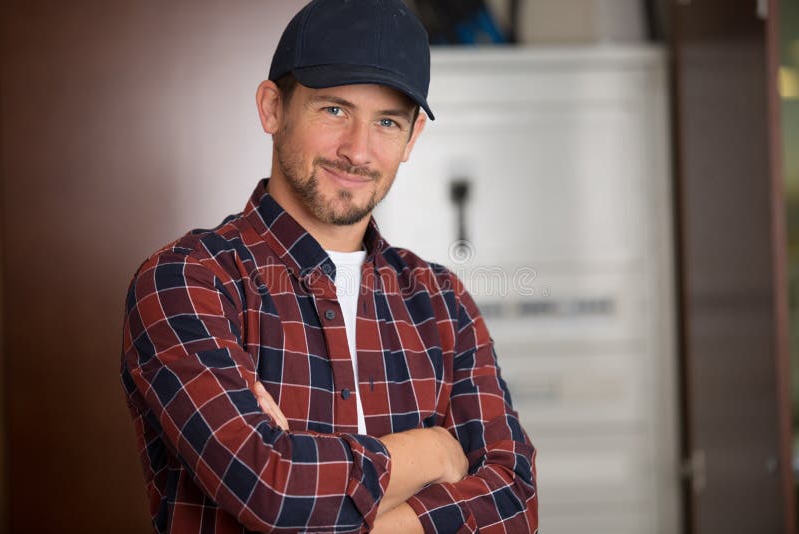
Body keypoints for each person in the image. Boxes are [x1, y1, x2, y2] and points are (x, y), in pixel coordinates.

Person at [120, 0, 538, 532]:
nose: (358, 150)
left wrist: (323, 486)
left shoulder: (441, 299)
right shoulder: (186, 282)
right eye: (334, 110)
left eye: (387, 122)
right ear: (273, 108)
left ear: (412, 140)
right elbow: (273, 489)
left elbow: (516, 500)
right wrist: (434, 453)